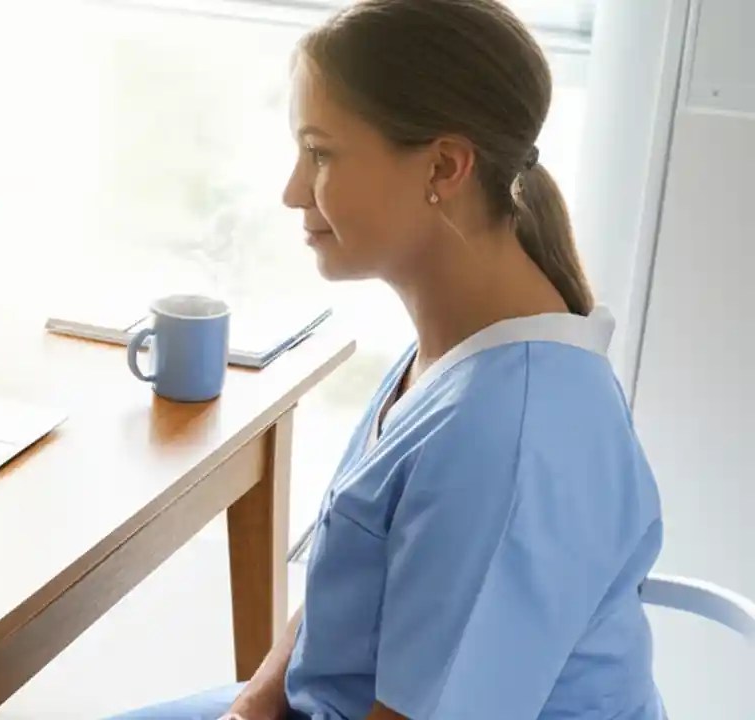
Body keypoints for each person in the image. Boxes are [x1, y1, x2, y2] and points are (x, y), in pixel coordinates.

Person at [110, 1, 665, 719]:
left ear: (444, 165)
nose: (291, 192)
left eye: (320, 153)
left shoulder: (508, 435)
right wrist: (251, 706)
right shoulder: (454, 349)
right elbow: (354, 591)